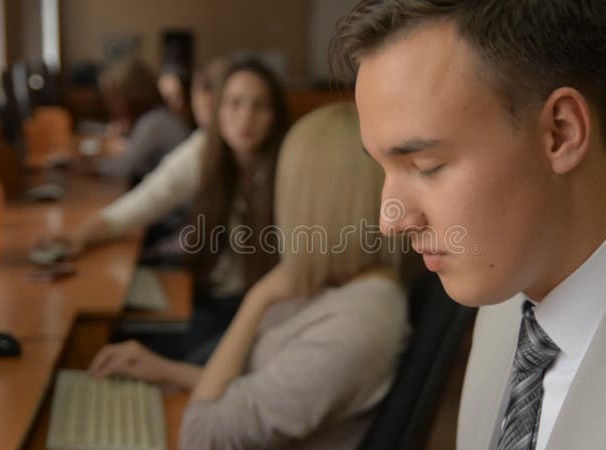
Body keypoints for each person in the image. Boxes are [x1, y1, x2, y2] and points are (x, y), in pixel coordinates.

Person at [331, 1, 606, 449]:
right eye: (384, 168)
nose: (390, 220)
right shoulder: (505, 289)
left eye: (426, 165)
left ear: (560, 132)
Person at [89, 102, 410, 450]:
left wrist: (256, 301)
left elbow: (201, 435)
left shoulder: (353, 330)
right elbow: (264, 388)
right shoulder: (345, 282)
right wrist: (167, 372)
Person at [80, 57, 290, 362]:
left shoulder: (291, 163)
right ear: (218, 109)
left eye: (259, 106)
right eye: (234, 103)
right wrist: (81, 234)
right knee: (122, 340)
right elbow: (147, 200)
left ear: (275, 115)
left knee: (177, 363)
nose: (245, 117)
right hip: (209, 297)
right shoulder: (205, 149)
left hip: (263, 312)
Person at [68, 57, 230, 256]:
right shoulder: (167, 123)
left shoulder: (156, 123)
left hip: (177, 220)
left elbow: (127, 169)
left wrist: (85, 166)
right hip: (180, 219)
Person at [97, 58, 192, 182]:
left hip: (177, 200)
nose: (113, 105)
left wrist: (88, 165)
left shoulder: (154, 122)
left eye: (115, 97)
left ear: (130, 95)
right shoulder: (159, 115)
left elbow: (123, 168)